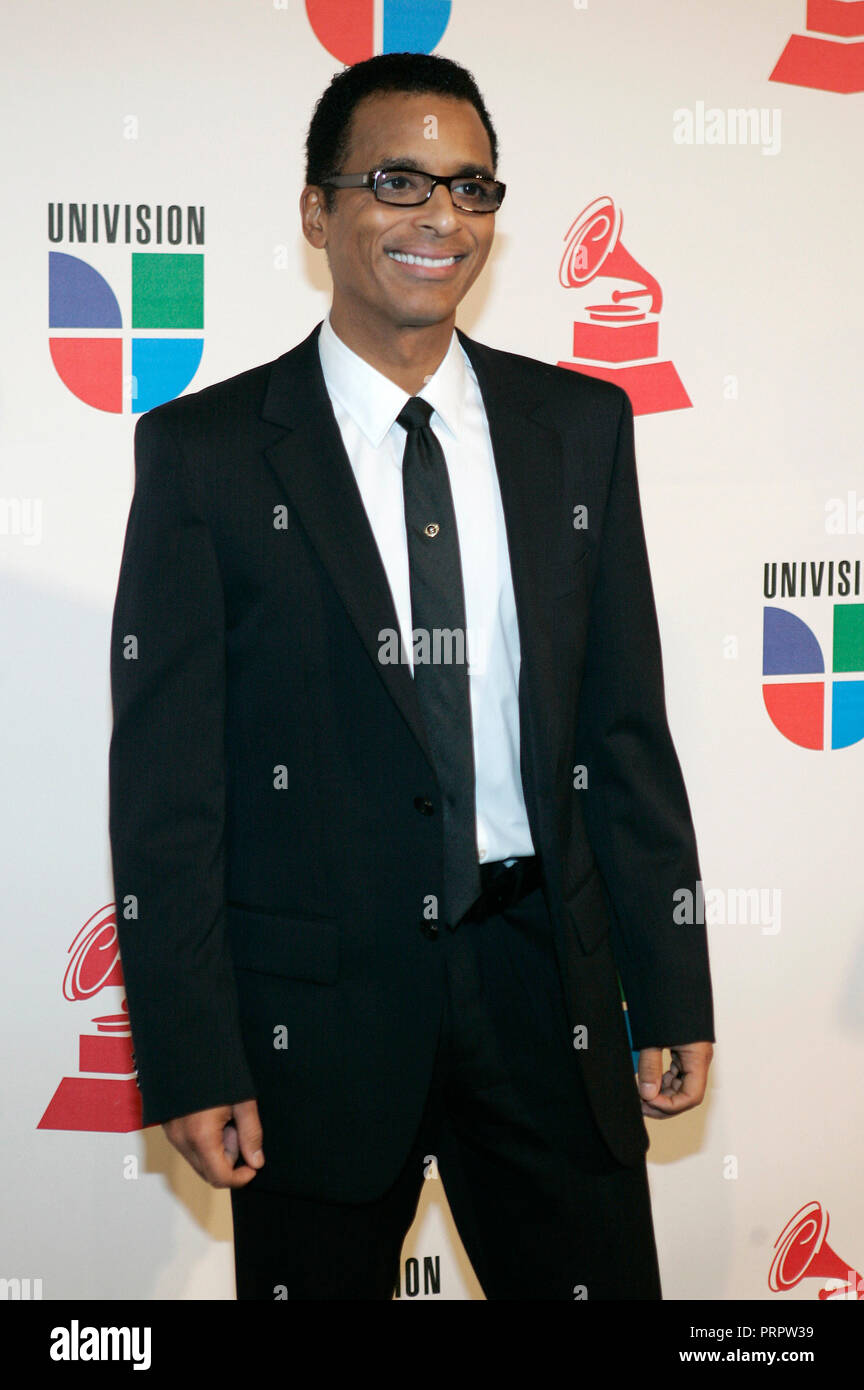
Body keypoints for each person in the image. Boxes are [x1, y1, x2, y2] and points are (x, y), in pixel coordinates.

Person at [108, 51, 715, 1301]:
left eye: (473, 187)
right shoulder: (207, 455)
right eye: (399, 182)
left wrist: (669, 976)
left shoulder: (580, 429)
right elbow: (168, 790)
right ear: (318, 211)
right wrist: (191, 1048)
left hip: (544, 978)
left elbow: (624, 728)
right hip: (313, 1015)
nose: (443, 217)